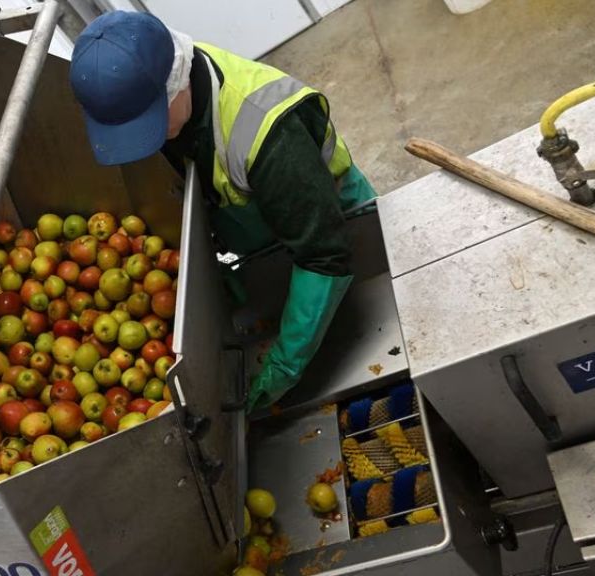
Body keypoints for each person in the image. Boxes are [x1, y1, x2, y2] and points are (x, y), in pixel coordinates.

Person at [68, 11, 377, 411]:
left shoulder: (265, 130)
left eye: (150, 124)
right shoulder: (177, 100)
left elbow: (325, 254)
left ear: (175, 85)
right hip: (270, 235)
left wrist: (284, 366)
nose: (150, 140)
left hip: (340, 224)